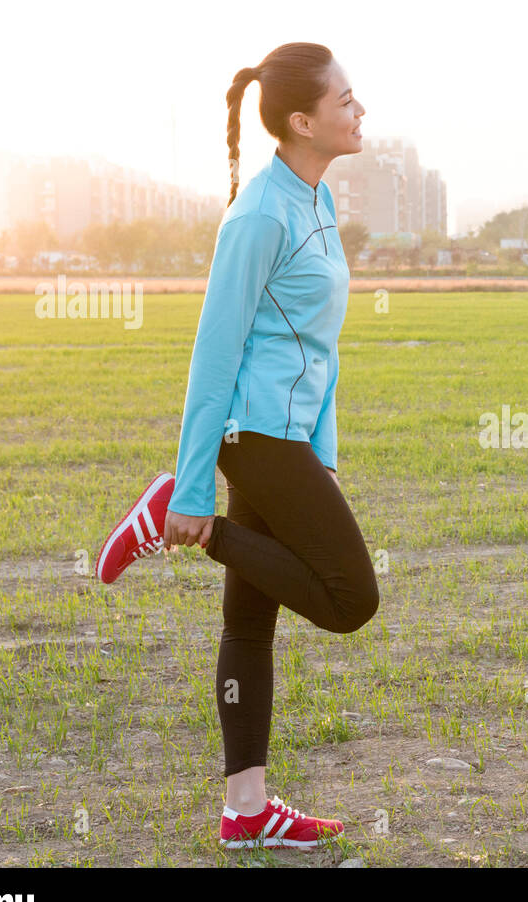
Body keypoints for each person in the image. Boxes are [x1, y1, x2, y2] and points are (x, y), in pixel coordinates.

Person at [94, 42, 378, 850]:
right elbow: (215, 353)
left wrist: (322, 446)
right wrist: (193, 492)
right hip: (249, 433)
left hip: (287, 433)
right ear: (302, 120)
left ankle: (245, 808)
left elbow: (319, 343)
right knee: (351, 596)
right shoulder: (259, 213)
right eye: (347, 100)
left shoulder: (313, 199)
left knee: (249, 624)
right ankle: (179, 523)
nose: (361, 111)